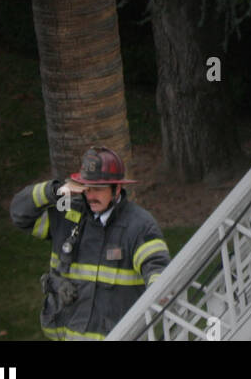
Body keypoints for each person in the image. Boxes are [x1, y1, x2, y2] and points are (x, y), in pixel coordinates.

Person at [11, 146, 169, 341]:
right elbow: (19, 213)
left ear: (117, 188)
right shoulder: (67, 213)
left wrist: (160, 293)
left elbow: (157, 268)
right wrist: (56, 191)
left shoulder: (139, 225)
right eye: (87, 188)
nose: (91, 195)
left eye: (99, 189)